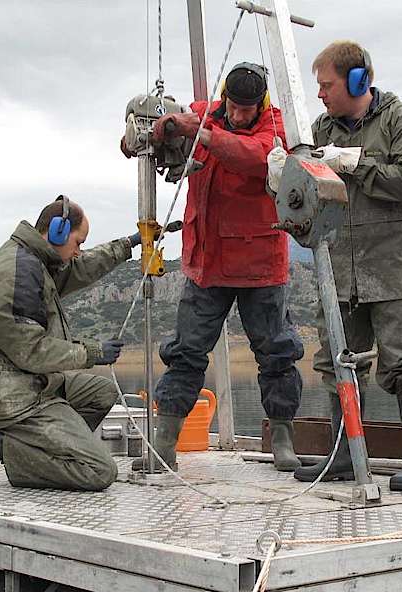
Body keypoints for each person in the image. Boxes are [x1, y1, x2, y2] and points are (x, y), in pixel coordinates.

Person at [123, 62, 304, 472]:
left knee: (276, 353)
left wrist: (199, 131)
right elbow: (148, 143)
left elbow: (257, 157)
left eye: (248, 108)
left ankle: (282, 439)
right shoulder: (202, 113)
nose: (240, 114)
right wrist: (150, 133)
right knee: (185, 353)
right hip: (206, 263)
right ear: (225, 99)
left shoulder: (276, 127)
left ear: (263, 103)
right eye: (234, 107)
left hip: (260, 266)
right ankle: (164, 443)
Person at [293, 41, 402, 491]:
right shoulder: (319, 127)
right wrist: (287, 176)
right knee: (337, 362)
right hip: (339, 269)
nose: (320, 95)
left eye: (326, 85)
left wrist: (352, 163)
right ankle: (342, 454)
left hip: (396, 268)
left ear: (358, 80)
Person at [0, 195, 140, 491]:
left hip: (32, 381)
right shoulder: (19, 272)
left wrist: (130, 244)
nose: (79, 252)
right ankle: (0, 445)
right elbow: (31, 351)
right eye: (78, 242)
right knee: (99, 471)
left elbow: (81, 268)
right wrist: (92, 352)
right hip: (11, 395)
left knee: (101, 393)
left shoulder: (38, 262)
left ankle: (47, 448)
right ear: (57, 232)